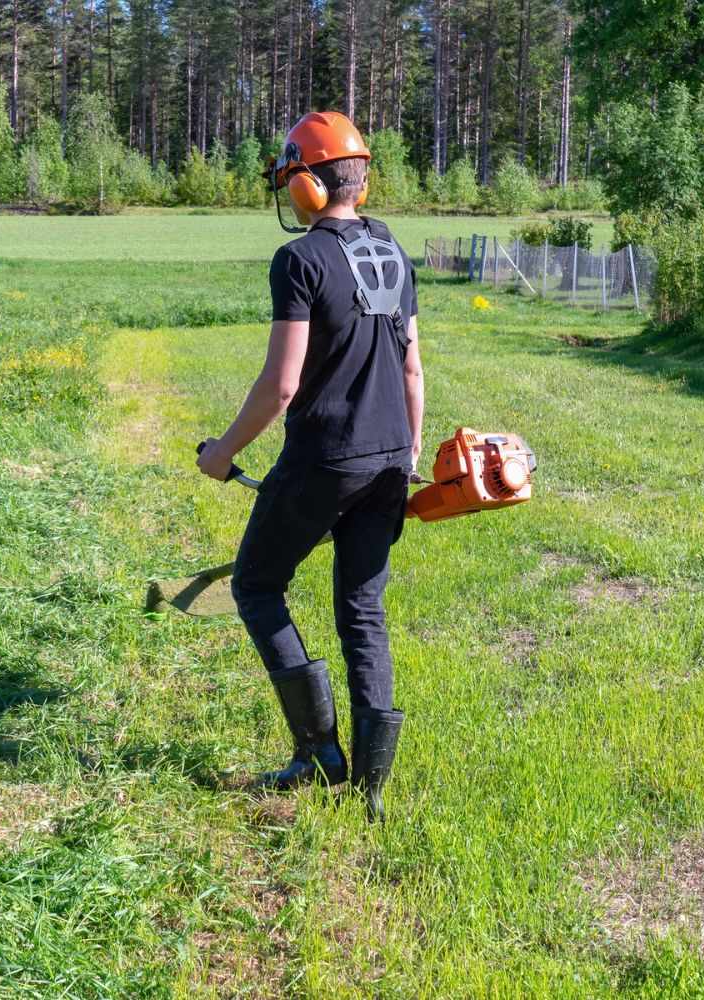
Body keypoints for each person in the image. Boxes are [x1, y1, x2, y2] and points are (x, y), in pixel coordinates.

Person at [196, 111, 423, 822]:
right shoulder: (391, 252)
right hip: (388, 459)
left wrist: (223, 453)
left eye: (290, 177)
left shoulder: (299, 260)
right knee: (362, 610)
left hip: (325, 456)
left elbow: (282, 385)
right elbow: (412, 368)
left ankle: (318, 753)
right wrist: (407, 456)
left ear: (309, 187)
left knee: (257, 585)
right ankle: (373, 788)